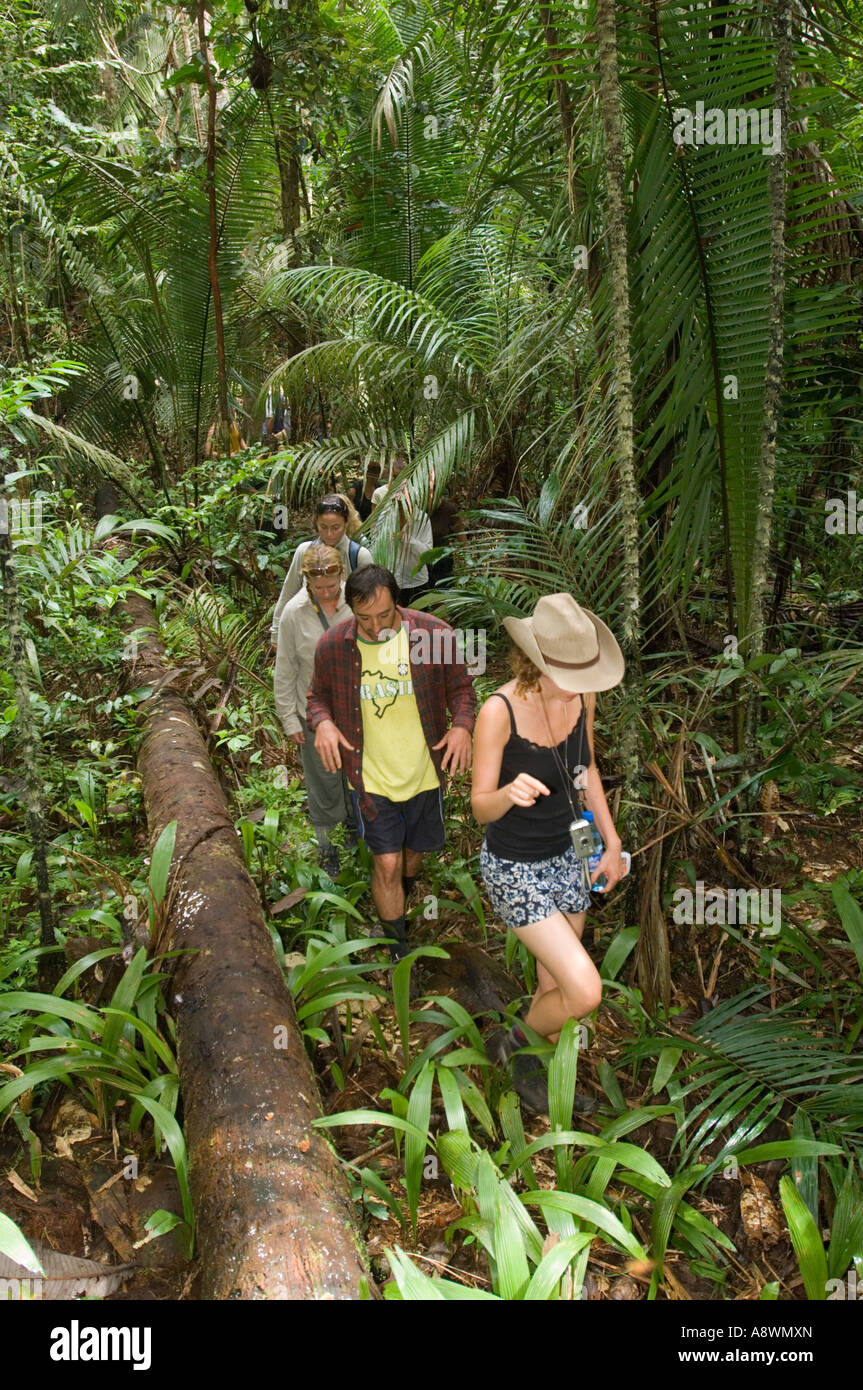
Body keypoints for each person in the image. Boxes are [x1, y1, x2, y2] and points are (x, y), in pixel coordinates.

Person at [471, 593, 626, 1114]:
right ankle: (510, 1046)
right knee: (584, 992)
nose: (577, 691)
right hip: (515, 867)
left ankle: (532, 1077)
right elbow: (478, 807)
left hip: (568, 855)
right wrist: (506, 794)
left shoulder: (582, 696)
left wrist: (612, 841)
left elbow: (588, 772)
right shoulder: (499, 712)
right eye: (568, 676)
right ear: (537, 663)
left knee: (554, 986)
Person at [306, 565, 476, 960]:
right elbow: (317, 697)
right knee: (386, 861)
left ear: (397, 603)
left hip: (423, 771)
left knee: (414, 851)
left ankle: (405, 891)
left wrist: (463, 727)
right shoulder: (334, 645)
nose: (375, 626)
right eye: (364, 618)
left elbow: (461, 689)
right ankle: (398, 950)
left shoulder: (430, 635)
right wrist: (324, 723)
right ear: (350, 610)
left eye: (384, 615)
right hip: (370, 777)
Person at [274, 545, 354, 877]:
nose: (326, 593)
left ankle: (357, 838)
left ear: (342, 577)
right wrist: (289, 718)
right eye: (319, 588)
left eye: (332, 586)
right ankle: (328, 849)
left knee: (356, 778)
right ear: (306, 581)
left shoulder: (358, 603)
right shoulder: (294, 613)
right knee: (323, 785)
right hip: (314, 714)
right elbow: (286, 669)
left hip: (356, 712)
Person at [269, 493, 373, 644]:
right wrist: (276, 633)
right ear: (316, 524)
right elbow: (288, 592)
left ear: (346, 523)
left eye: (336, 527)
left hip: (348, 638)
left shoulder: (359, 556)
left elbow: (371, 602)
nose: (329, 534)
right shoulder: (304, 551)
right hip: (307, 637)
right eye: (323, 527)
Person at [371, 452, 433, 606]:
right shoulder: (384, 516)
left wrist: (405, 539)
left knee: (417, 626)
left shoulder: (422, 519)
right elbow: (375, 546)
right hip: (389, 581)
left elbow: (428, 554)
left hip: (415, 582)